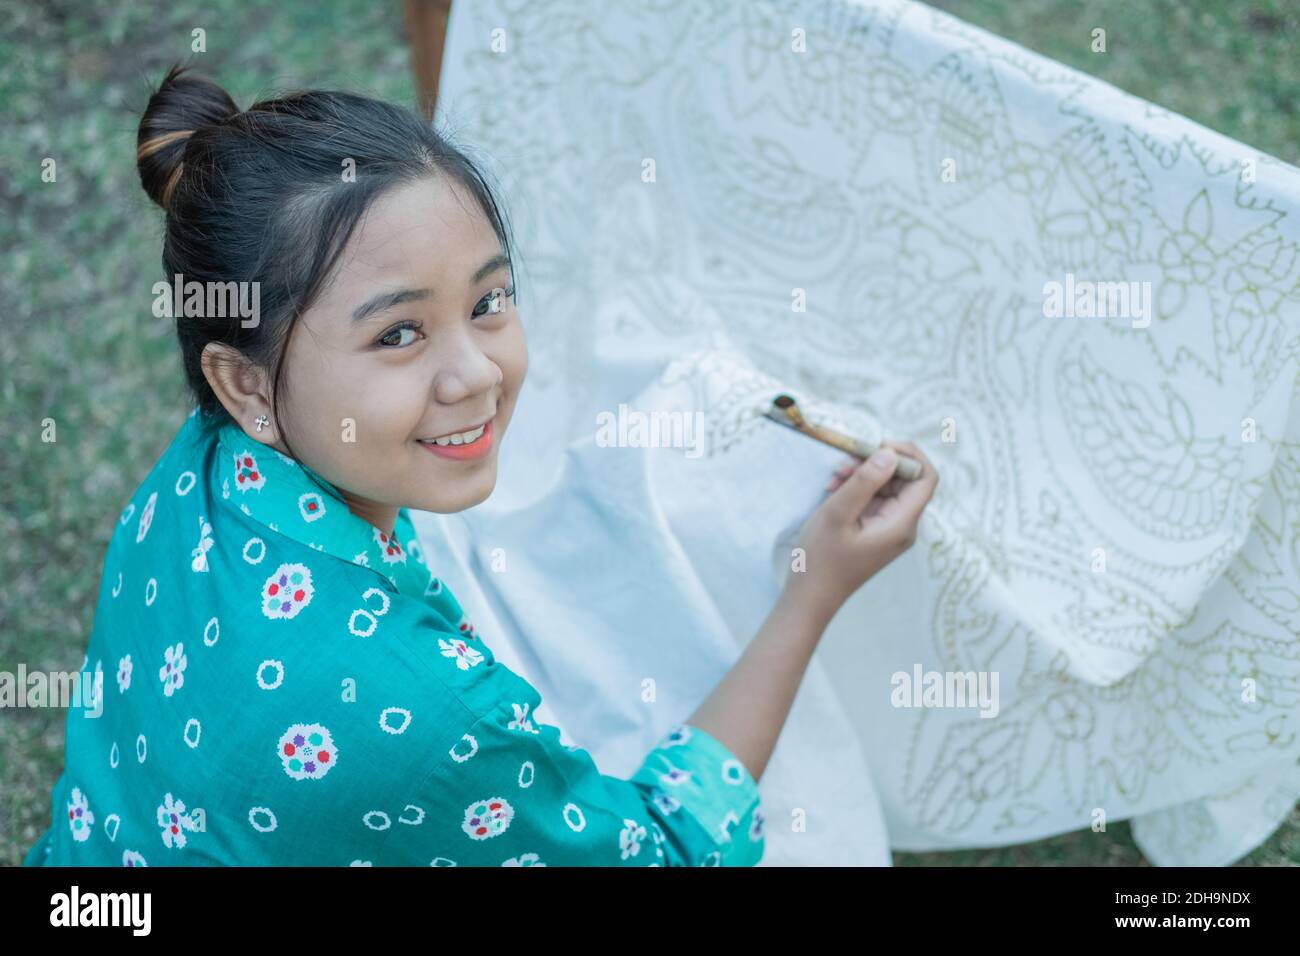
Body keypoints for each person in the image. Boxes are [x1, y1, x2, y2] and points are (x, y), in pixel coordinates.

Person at [25, 64, 938, 867]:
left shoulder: (197, 479)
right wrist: (811, 593)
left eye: (489, 300)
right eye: (399, 332)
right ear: (246, 383)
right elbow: (664, 850)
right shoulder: (421, 714)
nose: (476, 375)